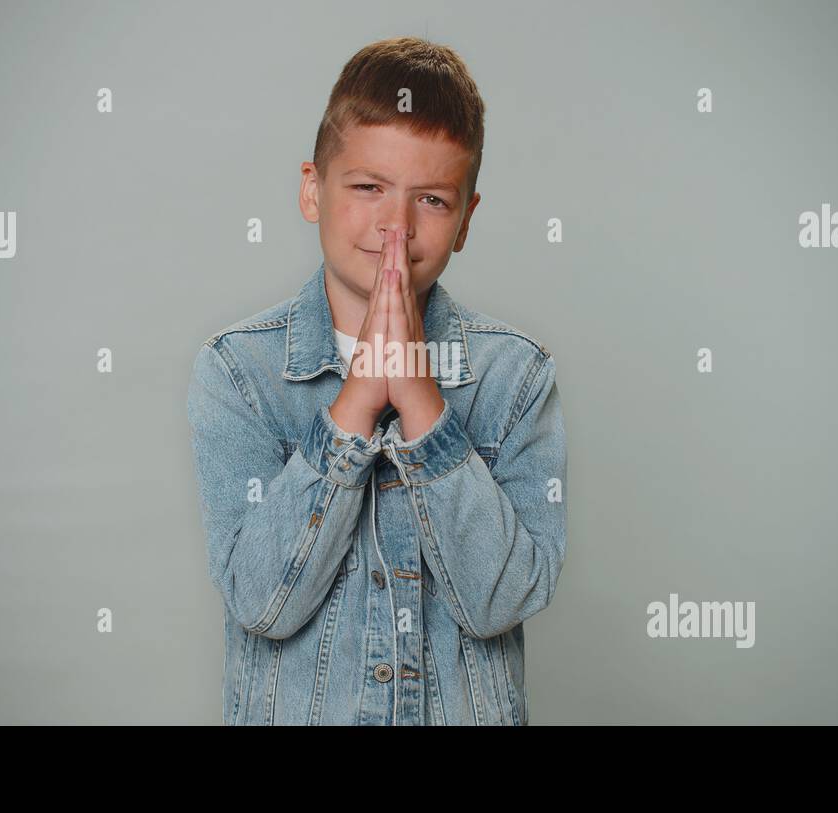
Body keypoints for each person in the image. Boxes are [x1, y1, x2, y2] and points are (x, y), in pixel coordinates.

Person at [186, 36, 567, 725]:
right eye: (368, 188)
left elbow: (502, 600)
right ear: (313, 189)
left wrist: (421, 402)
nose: (396, 228)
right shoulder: (236, 372)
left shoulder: (517, 376)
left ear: (466, 221)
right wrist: (357, 402)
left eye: (431, 201)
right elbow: (261, 601)